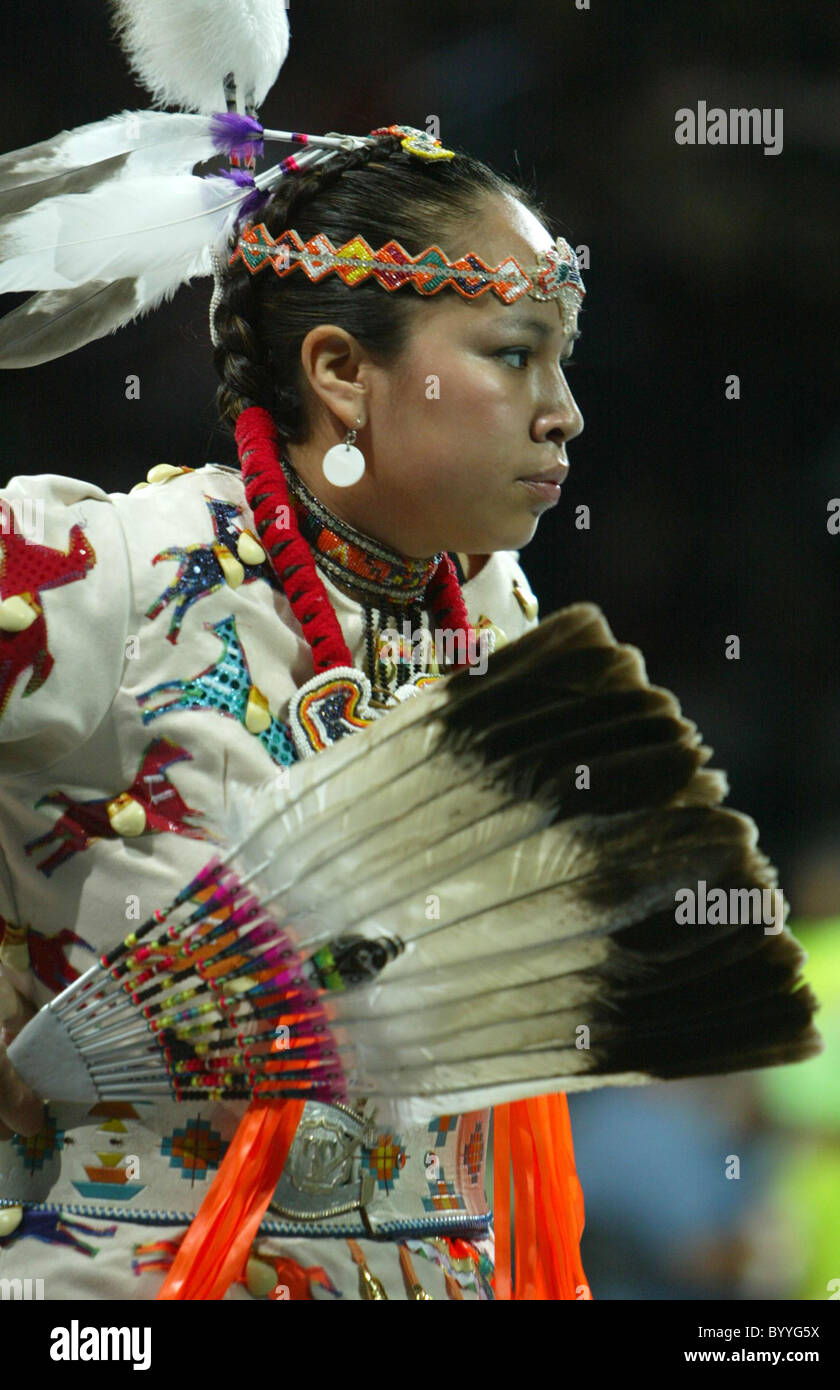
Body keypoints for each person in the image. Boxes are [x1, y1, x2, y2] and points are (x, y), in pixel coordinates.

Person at [0, 127, 586, 1299]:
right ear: (338, 370)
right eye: (515, 356)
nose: (560, 410)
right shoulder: (102, 570)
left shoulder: (496, 611)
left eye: (562, 362)